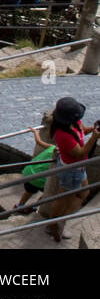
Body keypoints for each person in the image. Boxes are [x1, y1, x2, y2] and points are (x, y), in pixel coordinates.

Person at [44, 96, 99, 242]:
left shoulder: (74, 123)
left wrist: (93, 129)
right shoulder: (62, 136)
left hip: (78, 169)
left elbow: (82, 131)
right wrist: (94, 137)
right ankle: (55, 224)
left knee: (83, 193)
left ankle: (60, 221)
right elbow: (81, 152)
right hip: (71, 171)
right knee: (63, 198)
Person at [17, 110, 57, 209]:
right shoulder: (61, 156)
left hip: (30, 173)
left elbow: (39, 141)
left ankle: (20, 205)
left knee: (29, 192)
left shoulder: (52, 147)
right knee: (49, 192)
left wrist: (35, 131)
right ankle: (35, 206)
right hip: (43, 181)